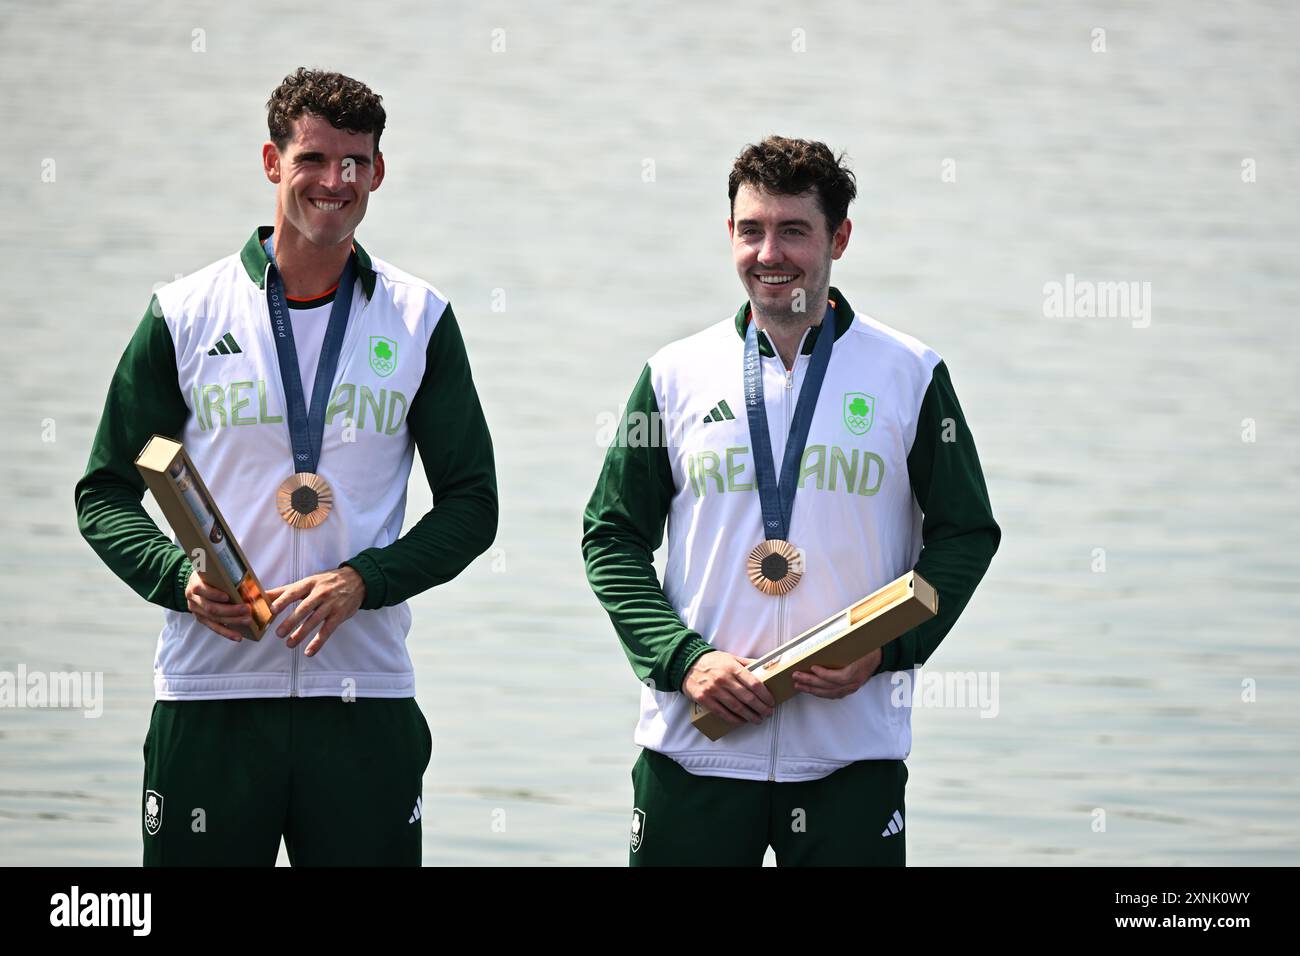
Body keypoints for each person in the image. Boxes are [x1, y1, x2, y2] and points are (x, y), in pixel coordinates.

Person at [74, 68, 497, 866]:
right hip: (212, 695)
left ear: (376, 172)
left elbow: (473, 505)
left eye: (354, 162)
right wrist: (177, 578)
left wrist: (365, 579)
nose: (333, 182)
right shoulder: (186, 312)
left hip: (362, 697)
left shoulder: (419, 319)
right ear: (273, 162)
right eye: (312, 159)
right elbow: (105, 493)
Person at [582, 135, 1000, 866]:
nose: (769, 252)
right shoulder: (675, 374)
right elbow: (612, 538)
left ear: (839, 237)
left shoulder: (909, 373)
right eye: (752, 230)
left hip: (850, 758)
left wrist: (887, 648)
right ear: (731, 236)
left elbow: (966, 535)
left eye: (794, 231)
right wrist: (683, 660)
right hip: (695, 750)